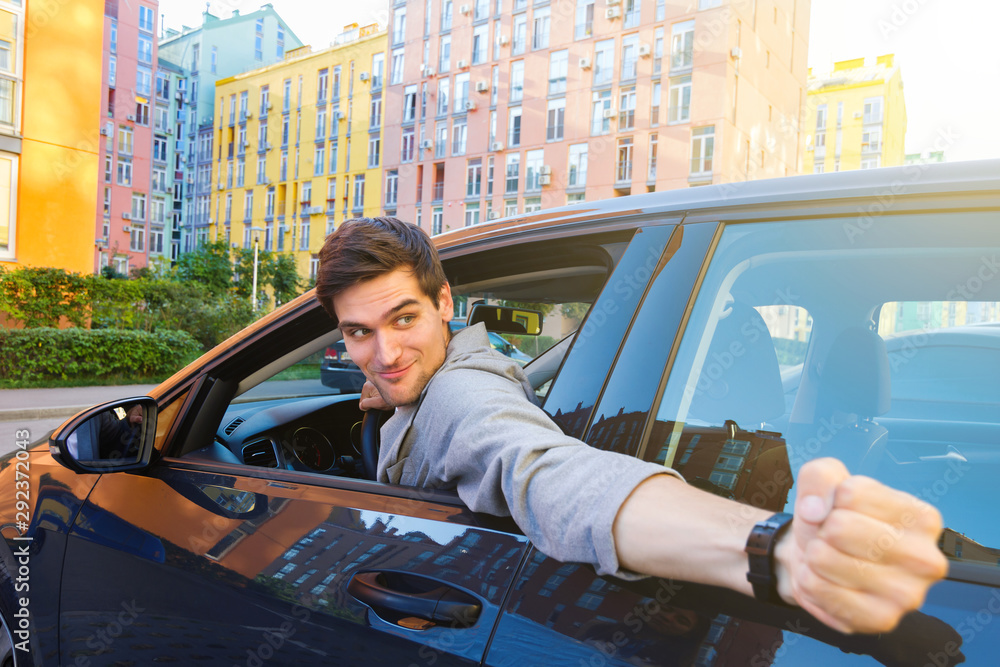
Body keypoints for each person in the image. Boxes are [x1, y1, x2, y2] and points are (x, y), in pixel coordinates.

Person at [315, 216, 947, 636]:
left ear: (445, 301)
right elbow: (401, 373)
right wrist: (390, 398)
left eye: (404, 319)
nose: (386, 353)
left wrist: (770, 548)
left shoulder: (464, 395)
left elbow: (548, 471)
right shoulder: (425, 378)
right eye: (359, 333)